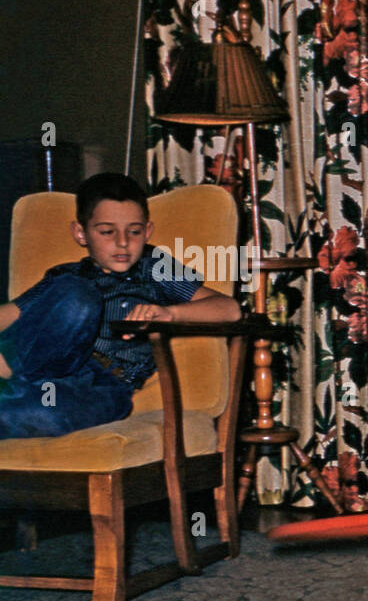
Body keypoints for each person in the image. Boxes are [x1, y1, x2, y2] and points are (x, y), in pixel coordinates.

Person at [0, 173, 241, 440]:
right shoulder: (66, 276)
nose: (122, 242)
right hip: (52, 357)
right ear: (81, 233)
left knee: (40, 416)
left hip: (103, 386)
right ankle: (10, 367)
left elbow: (229, 308)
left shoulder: (155, 267)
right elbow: (12, 313)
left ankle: (13, 382)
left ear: (147, 231)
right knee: (76, 295)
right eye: (107, 232)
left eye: (134, 231)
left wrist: (170, 313)